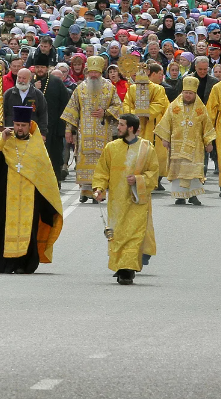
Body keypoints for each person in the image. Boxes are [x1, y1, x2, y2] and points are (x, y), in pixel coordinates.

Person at [0, 105, 64, 274]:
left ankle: (23, 264)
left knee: (27, 230)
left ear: (29, 126)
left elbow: (45, 176)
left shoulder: (36, 147)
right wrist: (1, 140)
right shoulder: (4, 143)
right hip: (5, 197)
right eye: (17, 125)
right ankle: (3, 263)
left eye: (23, 125)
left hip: (29, 199)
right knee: (2, 229)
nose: (19, 128)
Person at [92, 114, 159, 286]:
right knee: (117, 235)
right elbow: (102, 171)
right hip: (116, 202)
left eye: (121, 125)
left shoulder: (146, 148)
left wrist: (138, 180)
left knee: (133, 235)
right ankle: (120, 266)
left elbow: (153, 173)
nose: (118, 128)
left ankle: (127, 271)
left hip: (137, 201)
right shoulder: (111, 148)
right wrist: (99, 188)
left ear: (130, 128)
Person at [61, 55, 121, 202]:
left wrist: (105, 112)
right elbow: (72, 110)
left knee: (101, 163)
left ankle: (98, 193)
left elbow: (119, 106)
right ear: (87, 72)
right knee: (84, 161)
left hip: (103, 133)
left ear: (101, 73)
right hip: (84, 135)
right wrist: (69, 130)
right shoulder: (80, 89)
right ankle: (85, 192)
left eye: (96, 72)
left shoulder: (109, 88)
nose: (93, 75)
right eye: (91, 72)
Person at [154, 76, 216, 205]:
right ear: (182, 92)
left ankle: (193, 195)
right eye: (186, 93)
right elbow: (165, 122)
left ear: (195, 94)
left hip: (195, 146)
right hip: (177, 145)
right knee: (179, 171)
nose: (188, 95)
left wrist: (208, 142)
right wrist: (165, 139)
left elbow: (207, 125)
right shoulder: (174, 106)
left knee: (193, 171)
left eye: (190, 93)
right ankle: (180, 196)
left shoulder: (201, 108)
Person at [122, 63, 169, 191]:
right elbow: (127, 103)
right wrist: (133, 116)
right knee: (136, 152)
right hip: (136, 125)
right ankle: (136, 179)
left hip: (153, 123)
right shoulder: (132, 89)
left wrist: (147, 112)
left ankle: (155, 178)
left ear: (148, 72)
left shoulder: (158, 89)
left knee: (156, 153)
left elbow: (160, 103)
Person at [28, 51, 71, 182]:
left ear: (47, 68)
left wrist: (64, 127)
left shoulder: (56, 82)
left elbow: (66, 104)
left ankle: (55, 182)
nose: (40, 70)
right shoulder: (29, 82)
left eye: (42, 67)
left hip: (53, 128)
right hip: (32, 128)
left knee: (54, 156)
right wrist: (32, 88)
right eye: (38, 67)